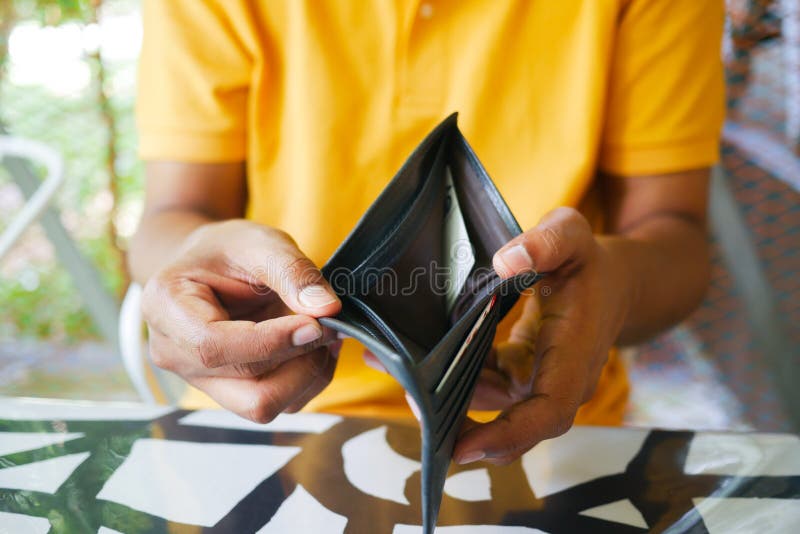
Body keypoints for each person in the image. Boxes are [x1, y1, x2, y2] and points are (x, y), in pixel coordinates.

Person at [130, 0, 724, 465]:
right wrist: (185, 270)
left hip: (549, 432)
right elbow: (176, 214)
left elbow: (674, 234)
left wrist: (612, 283)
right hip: (257, 425)